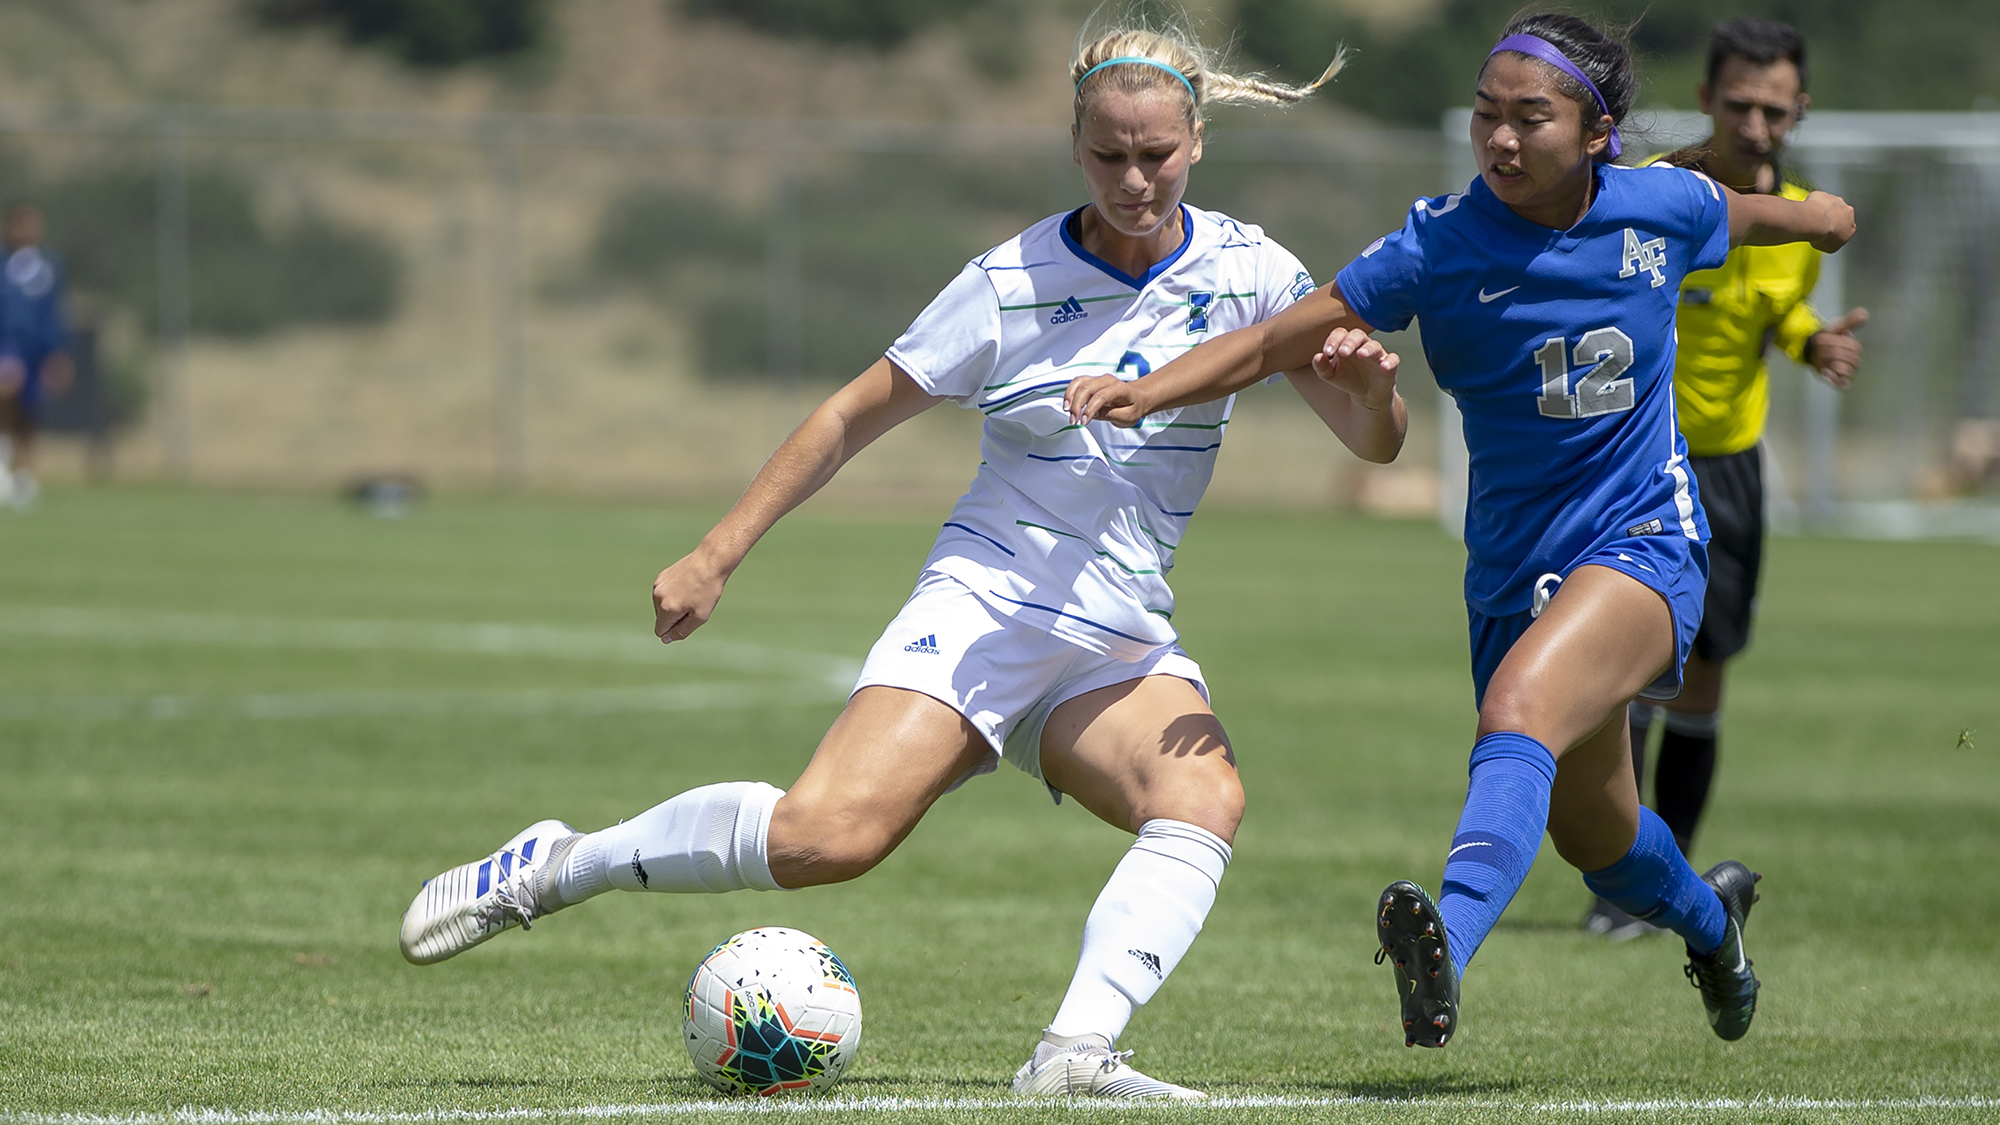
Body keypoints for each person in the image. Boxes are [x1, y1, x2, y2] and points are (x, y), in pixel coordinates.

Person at [399, 24, 1395, 1099]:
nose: (1134, 179)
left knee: (1201, 800)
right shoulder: (1010, 281)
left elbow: (1369, 441)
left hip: (1116, 633)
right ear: (1074, 144)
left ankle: (1069, 1058)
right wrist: (715, 552)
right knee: (828, 839)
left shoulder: (1254, 272)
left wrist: (1374, 386)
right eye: (1109, 155)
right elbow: (845, 417)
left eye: (1155, 154)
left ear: (1196, 140)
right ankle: (560, 863)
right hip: (987, 602)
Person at [1064, 12, 1855, 1048]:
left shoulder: (1661, 206)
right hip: (1509, 576)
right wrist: (1147, 388)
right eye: (1487, 115)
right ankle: (1715, 928)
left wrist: (1825, 218)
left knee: (1517, 713)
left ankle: (1445, 948)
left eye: (1531, 119)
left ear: (1598, 130)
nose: (1500, 140)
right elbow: (1270, 342)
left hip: (1641, 543)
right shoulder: (1435, 245)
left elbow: (1778, 216)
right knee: (1598, 838)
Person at [1589, 16, 1867, 941]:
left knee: (1702, 685)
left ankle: (1665, 894)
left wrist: (1811, 339)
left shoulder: (1788, 224)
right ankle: (1620, 887)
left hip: (1731, 475)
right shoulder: (1663, 195)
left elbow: (1774, 314)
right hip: (1636, 465)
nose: (1755, 123)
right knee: (1625, 679)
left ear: (1799, 113)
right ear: (1708, 100)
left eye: (1773, 109)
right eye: (1739, 103)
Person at [0, 202, 73, 511]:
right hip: (7, 345)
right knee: (6, 396)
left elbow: (56, 312)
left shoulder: (50, 266)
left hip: (38, 350)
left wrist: (57, 354)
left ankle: (25, 477)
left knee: (31, 413)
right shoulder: (4, 263)